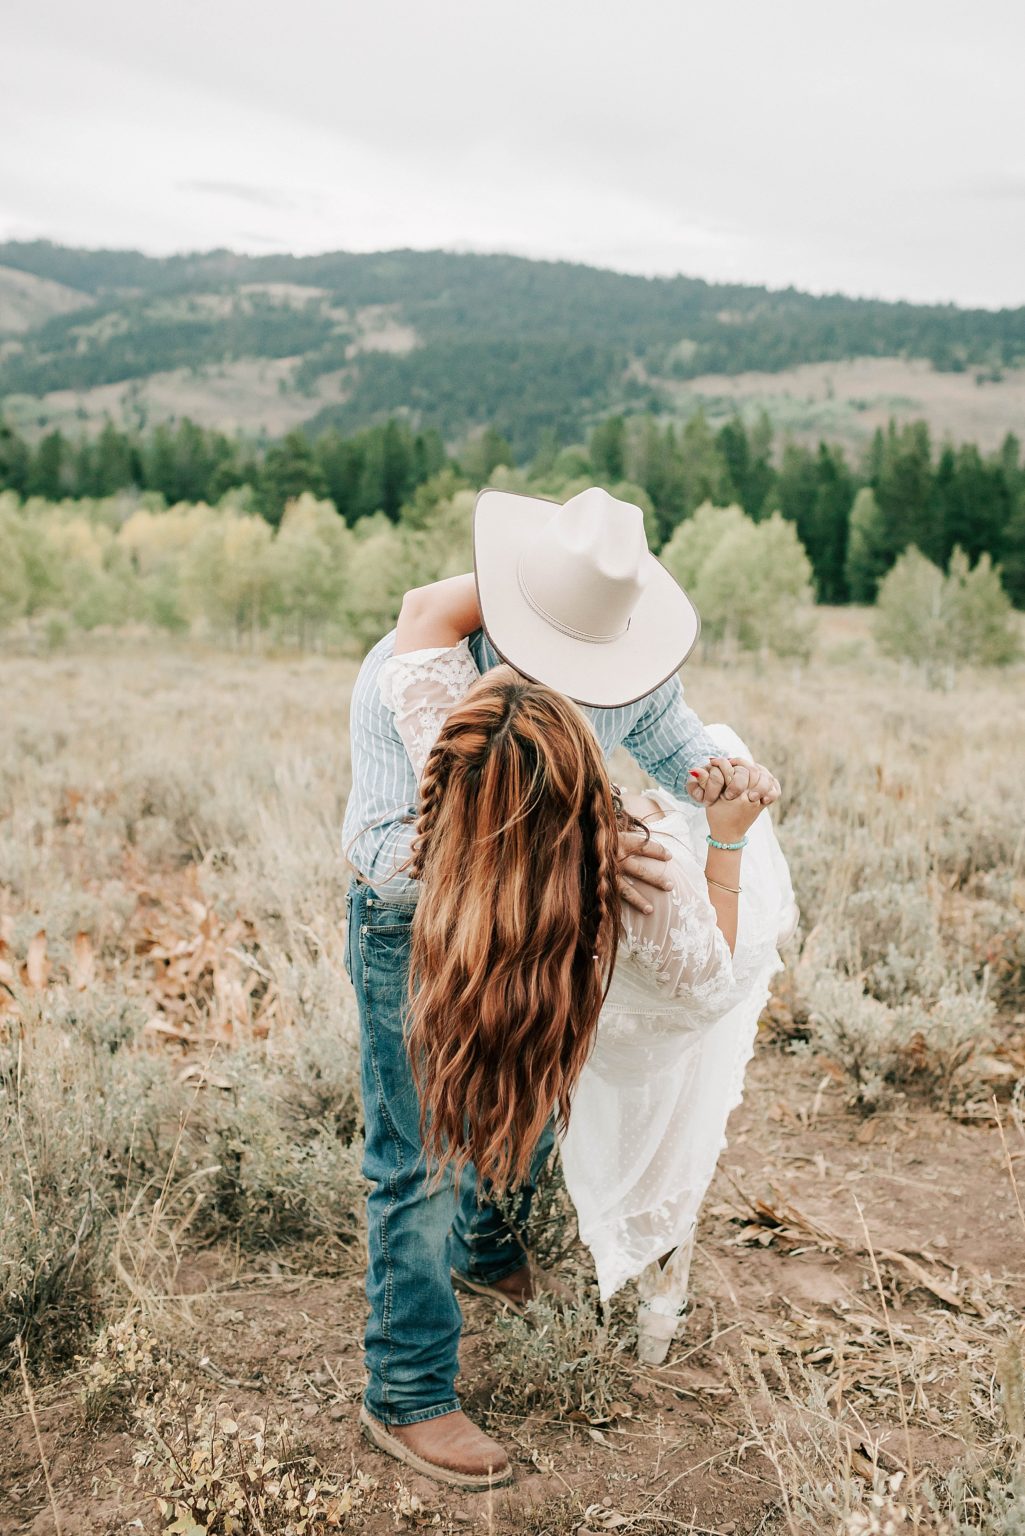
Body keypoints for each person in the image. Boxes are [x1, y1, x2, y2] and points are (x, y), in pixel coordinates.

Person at [341, 486, 784, 1490]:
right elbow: (486, 826)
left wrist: (727, 777)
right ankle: (406, 1389)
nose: (593, 682)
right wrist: (634, 851)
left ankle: (485, 1238)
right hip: (415, 918)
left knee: (539, 1088)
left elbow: (678, 745)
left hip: (548, 920)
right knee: (414, 1154)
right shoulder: (432, 682)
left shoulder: (623, 665)